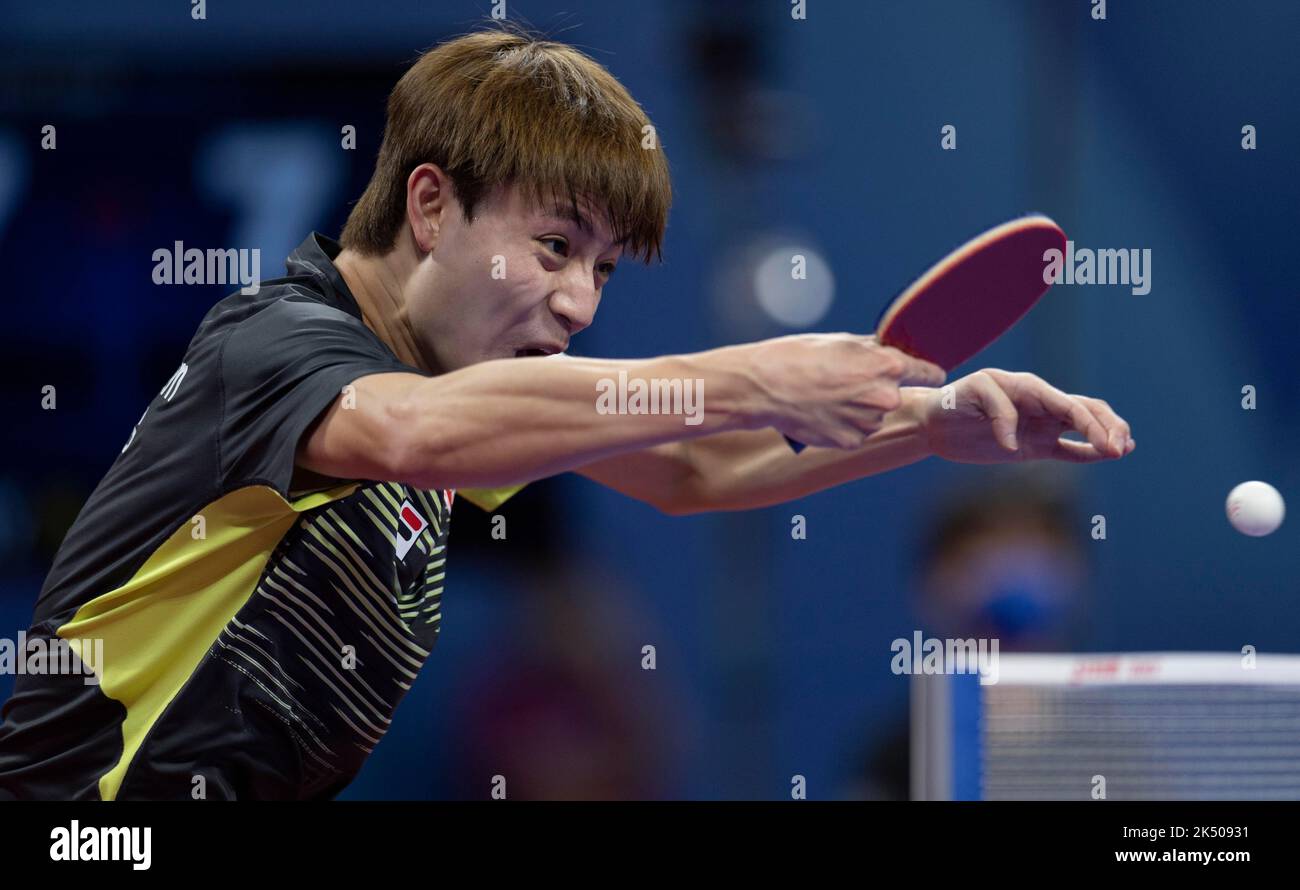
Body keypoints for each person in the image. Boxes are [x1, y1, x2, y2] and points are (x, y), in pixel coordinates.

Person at [0, 27, 1133, 800]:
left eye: (602, 268)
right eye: (553, 246)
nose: (578, 301)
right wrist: (755, 371)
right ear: (431, 204)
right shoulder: (278, 343)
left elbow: (693, 474)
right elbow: (407, 434)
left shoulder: (454, 386)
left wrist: (932, 424)